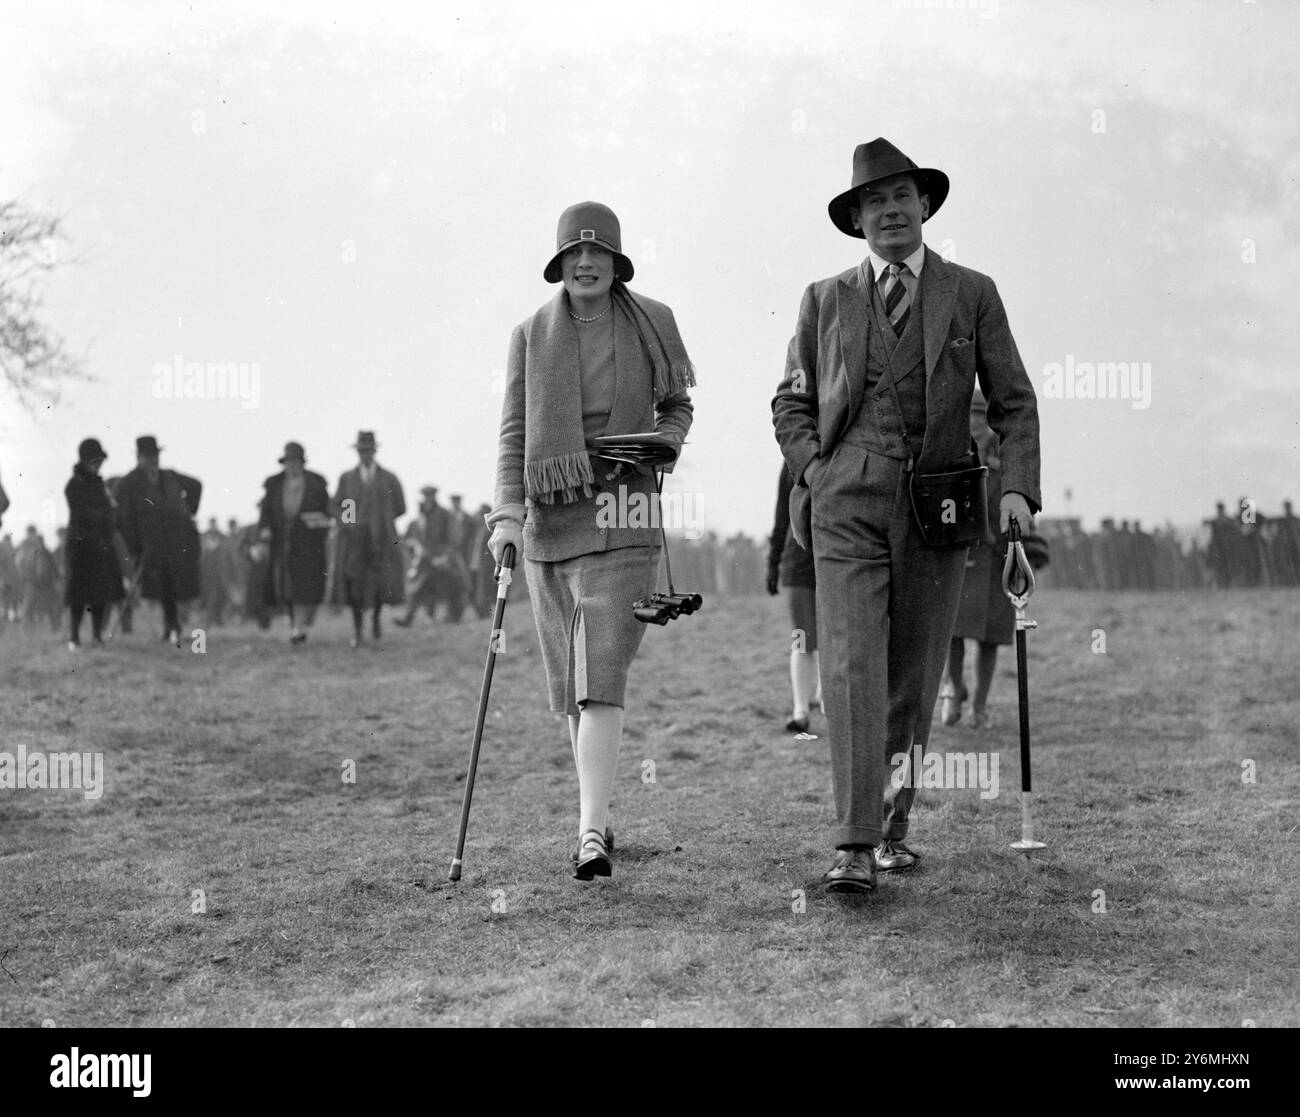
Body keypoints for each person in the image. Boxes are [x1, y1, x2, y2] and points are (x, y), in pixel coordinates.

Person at [772, 138, 1041, 894]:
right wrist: (817, 471)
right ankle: (853, 844)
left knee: (915, 677)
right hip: (844, 503)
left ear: (925, 206)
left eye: (902, 197)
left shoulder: (971, 293)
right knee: (852, 665)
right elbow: (790, 400)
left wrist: (1017, 489)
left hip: (940, 506)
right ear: (856, 220)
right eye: (873, 203)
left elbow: (1015, 402)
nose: (890, 212)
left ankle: (892, 826)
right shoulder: (824, 299)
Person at [486, 200, 695, 880]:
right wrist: (506, 517)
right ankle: (596, 813)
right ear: (559, 264)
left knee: (600, 669)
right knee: (571, 684)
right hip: (553, 519)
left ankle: (589, 835)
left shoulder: (652, 323)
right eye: (574, 255)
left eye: (598, 253)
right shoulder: (528, 336)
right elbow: (516, 432)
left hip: (627, 509)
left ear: (615, 262)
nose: (585, 263)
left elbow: (678, 404)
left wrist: (665, 440)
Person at [939, 392, 1048, 729]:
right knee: (952, 633)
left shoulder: (1005, 452)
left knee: (990, 636)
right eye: (969, 416)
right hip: (961, 555)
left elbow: (1022, 501)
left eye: (979, 416)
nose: (974, 423)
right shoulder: (950, 451)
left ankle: (980, 707)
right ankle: (955, 691)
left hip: (999, 558)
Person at [113, 435, 202, 645]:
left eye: (155, 455)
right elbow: (122, 519)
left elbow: (197, 485)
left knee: (177, 585)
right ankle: (167, 629)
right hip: (149, 546)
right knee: (159, 587)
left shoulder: (169, 476)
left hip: (176, 542)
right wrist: (135, 544)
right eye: (148, 456)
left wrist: (190, 508)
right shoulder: (128, 483)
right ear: (139, 457)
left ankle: (175, 629)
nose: (153, 460)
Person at [332, 431, 406, 647]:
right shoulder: (348, 479)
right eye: (361, 450)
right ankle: (357, 630)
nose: (365, 454)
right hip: (355, 541)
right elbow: (338, 504)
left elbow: (401, 507)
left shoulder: (388, 478)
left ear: (374, 451)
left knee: (380, 583)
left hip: (381, 540)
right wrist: (350, 522)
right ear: (357, 452)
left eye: (368, 450)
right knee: (355, 585)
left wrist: (382, 518)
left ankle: (375, 621)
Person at [257, 442, 332, 644]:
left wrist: (321, 521)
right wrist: (264, 529)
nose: (292, 466)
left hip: (308, 543)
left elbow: (328, 510)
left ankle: (299, 626)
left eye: (296, 462)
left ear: (302, 463)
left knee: (304, 587)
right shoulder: (274, 484)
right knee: (286, 587)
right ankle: (295, 625)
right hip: (282, 542)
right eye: (289, 462)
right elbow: (265, 511)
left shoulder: (317, 483)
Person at [767, 464, 822, 733]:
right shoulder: (792, 458)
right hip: (798, 562)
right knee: (801, 638)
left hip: (838, 558)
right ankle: (801, 710)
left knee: (833, 637)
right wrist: (773, 561)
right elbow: (781, 512)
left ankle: (825, 702)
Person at [63, 438, 125, 650]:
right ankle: (74, 638)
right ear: (85, 460)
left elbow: (108, 512)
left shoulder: (99, 484)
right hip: (81, 547)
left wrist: (109, 517)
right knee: (78, 596)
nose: (99, 463)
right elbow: (83, 514)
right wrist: (105, 516)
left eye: (100, 460)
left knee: (100, 595)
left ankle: (97, 636)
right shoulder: (74, 485)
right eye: (95, 459)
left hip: (101, 546)